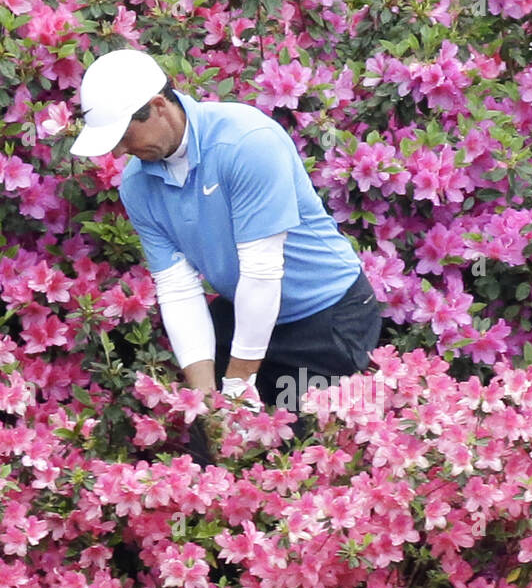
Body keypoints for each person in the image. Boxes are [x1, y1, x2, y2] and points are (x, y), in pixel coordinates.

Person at [70, 50, 383, 464]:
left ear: (159, 107)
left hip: (325, 317)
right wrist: (210, 401)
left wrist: (238, 383)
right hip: (245, 311)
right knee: (211, 443)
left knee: (301, 456)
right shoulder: (136, 184)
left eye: (125, 136)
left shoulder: (247, 141)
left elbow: (263, 271)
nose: (123, 150)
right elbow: (178, 288)